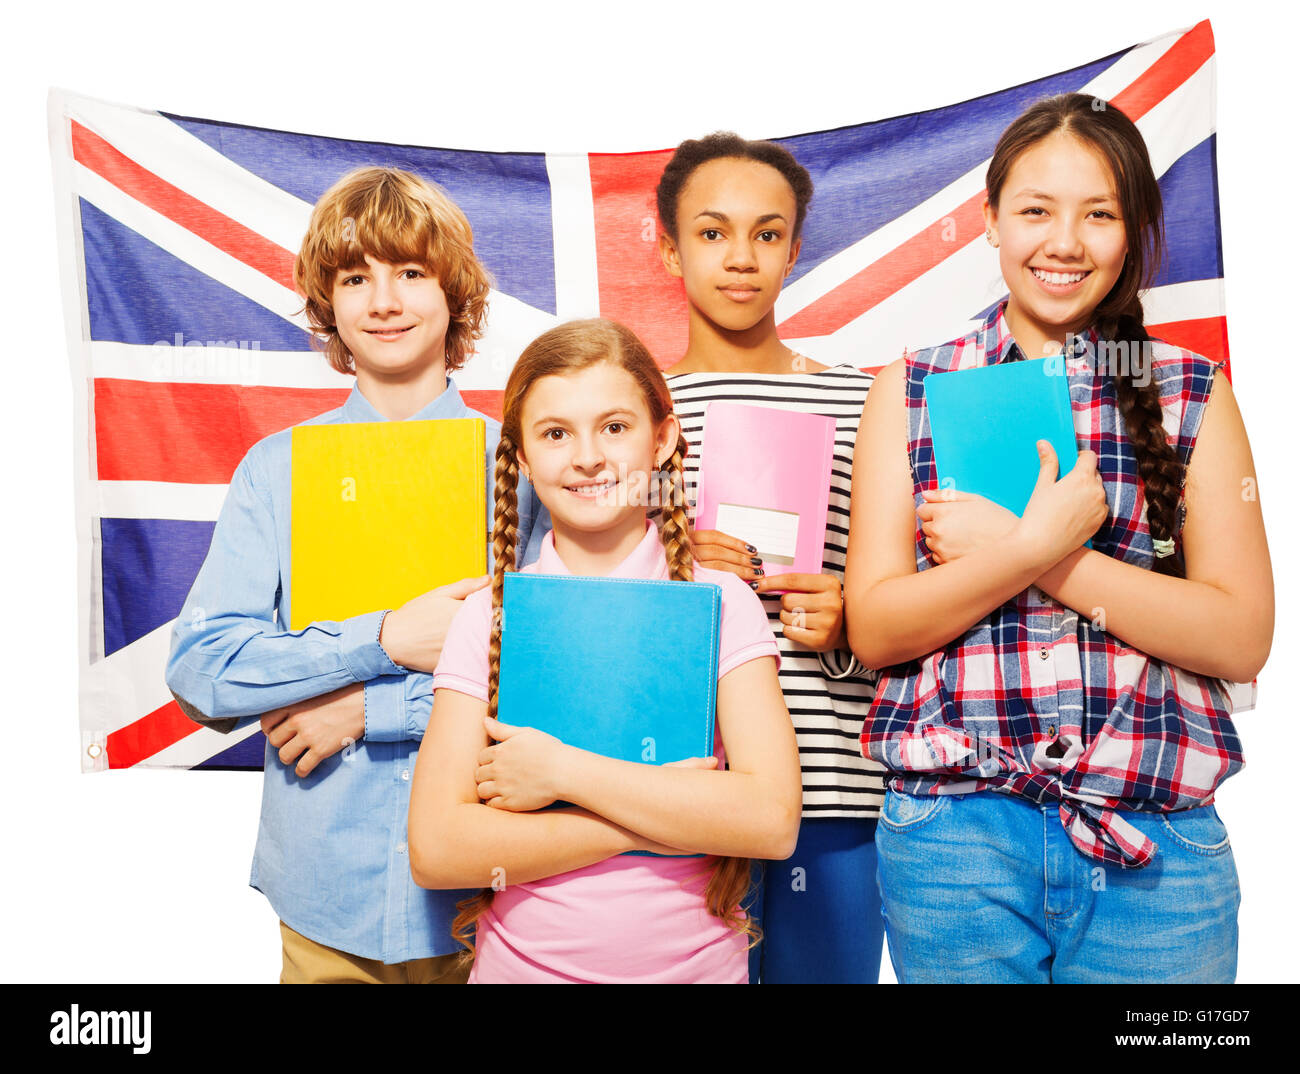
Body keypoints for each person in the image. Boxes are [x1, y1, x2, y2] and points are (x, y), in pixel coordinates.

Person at [844, 93, 1273, 983]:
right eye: (1036, 210)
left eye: (1100, 214)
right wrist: (1031, 548)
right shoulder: (912, 386)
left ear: (1136, 230)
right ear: (990, 222)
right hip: (954, 841)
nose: (1064, 242)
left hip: (1156, 845)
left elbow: (1240, 636)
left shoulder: (1193, 390)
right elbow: (877, 630)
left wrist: (1046, 550)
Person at [165, 166, 549, 983]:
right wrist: (377, 641)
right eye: (355, 278)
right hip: (323, 893)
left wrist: (366, 709)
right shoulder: (277, 469)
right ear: (327, 303)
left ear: (454, 294)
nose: (384, 301)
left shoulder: (526, 464)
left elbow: (558, 674)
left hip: (495, 900)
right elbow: (201, 673)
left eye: (410, 272)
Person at [408, 317, 802, 984]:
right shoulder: (490, 616)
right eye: (556, 433)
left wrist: (564, 774)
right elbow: (439, 848)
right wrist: (668, 816)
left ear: (663, 436)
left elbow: (768, 822)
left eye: (614, 427)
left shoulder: (723, 602)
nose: (587, 457)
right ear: (524, 459)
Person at [656, 132, 886, 983]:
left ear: (793, 248)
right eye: (712, 233)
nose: (740, 258)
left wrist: (847, 620)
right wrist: (668, 569)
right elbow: (577, 596)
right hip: (679, 784)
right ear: (670, 248)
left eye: (767, 233)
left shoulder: (863, 399)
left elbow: (910, 595)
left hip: (834, 792)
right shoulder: (627, 410)